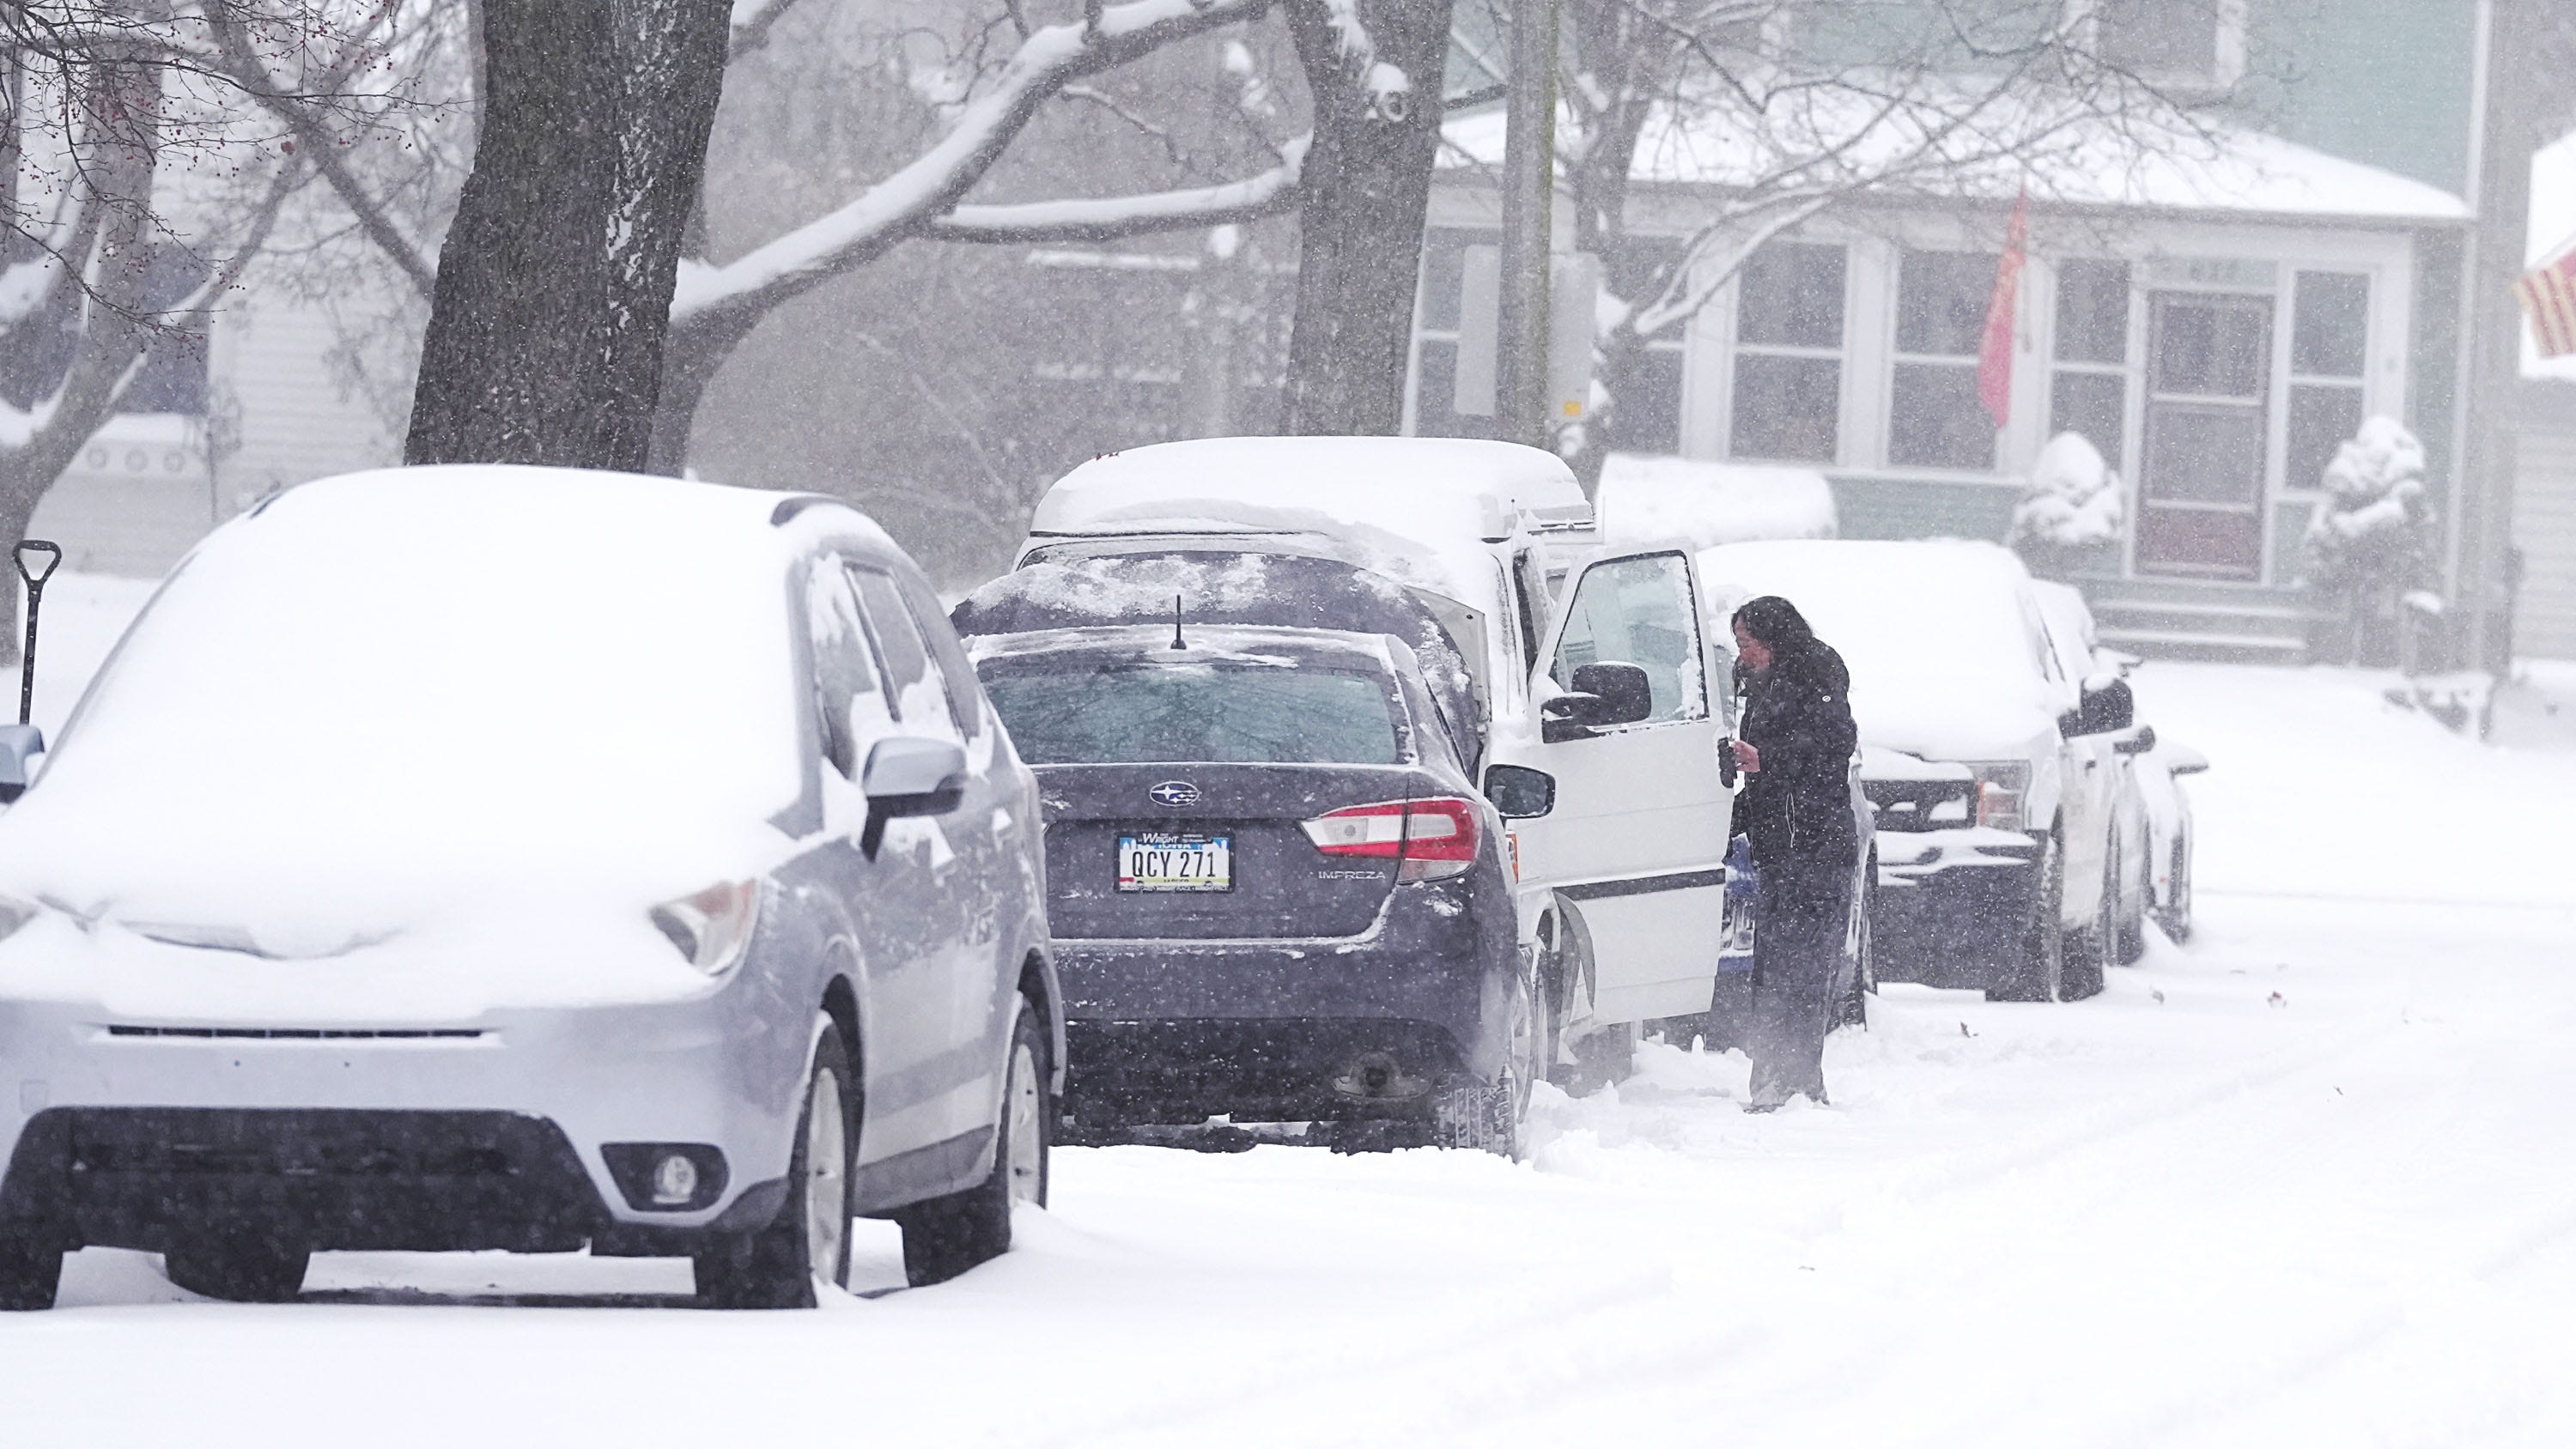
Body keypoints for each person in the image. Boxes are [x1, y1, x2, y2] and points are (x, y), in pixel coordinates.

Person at [1726, 596, 1860, 1112]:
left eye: (1749, 644)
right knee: (1774, 966)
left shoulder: (1818, 673)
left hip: (1817, 846)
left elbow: (1833, 747)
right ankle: (1773, 1080)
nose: (1744, 655)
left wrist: (1769, 759)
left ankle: (1798, 1082)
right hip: (1778, 849)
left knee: (1802, 968)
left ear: (1776, 640)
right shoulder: (1760, 685)